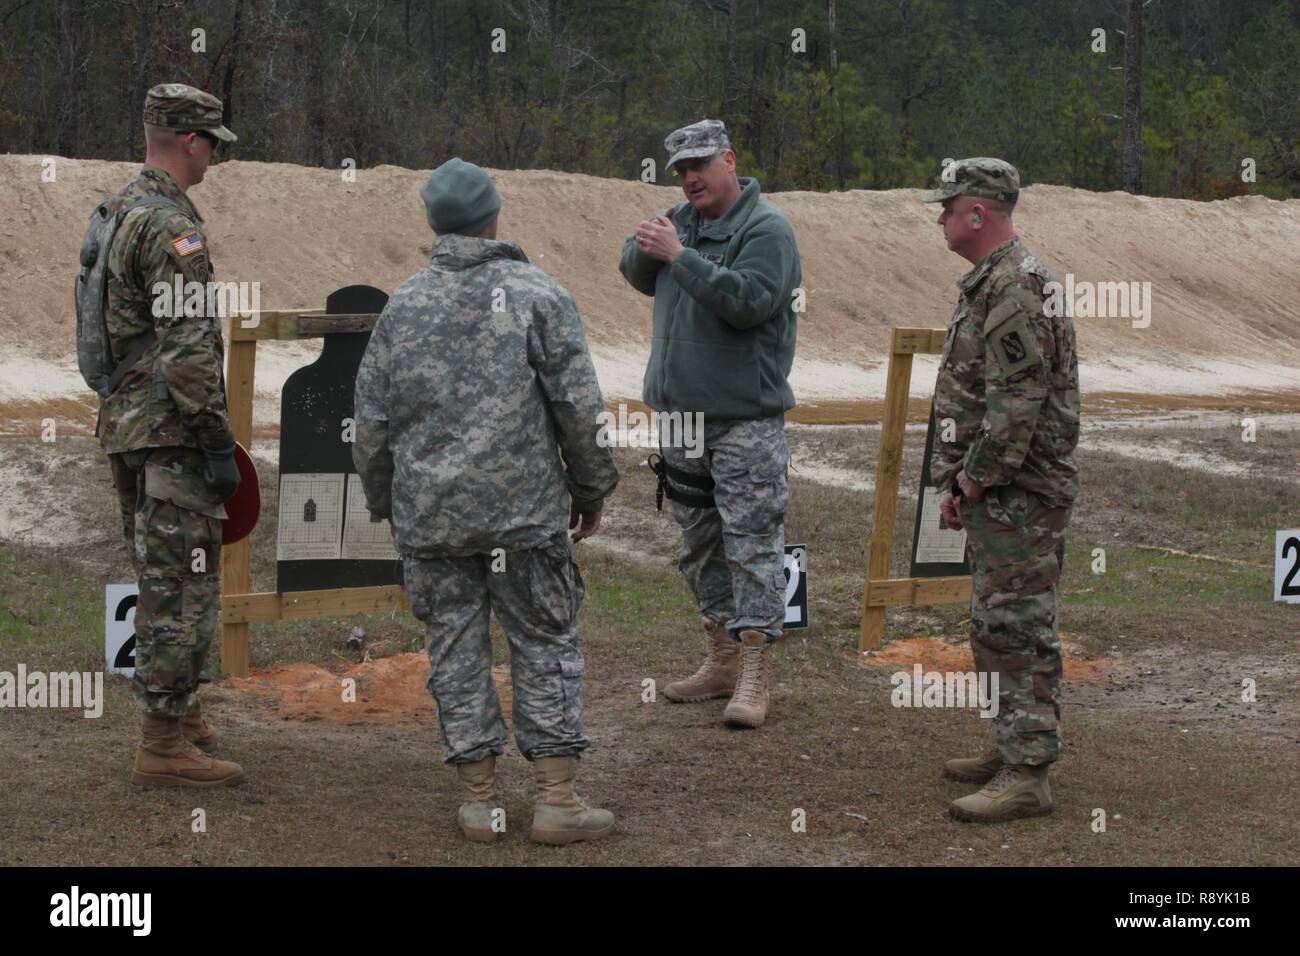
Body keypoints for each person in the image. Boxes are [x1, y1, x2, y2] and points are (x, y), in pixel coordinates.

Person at [353, 158, 619, 845]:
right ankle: (557, 798)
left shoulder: (402, 305)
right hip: (524, 516)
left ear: (434, 224)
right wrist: (591, 489)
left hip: (432, 519)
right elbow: (579, 409)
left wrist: (387, 502)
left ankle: (478, 800)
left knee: (454, 646)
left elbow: (372, 424)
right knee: (545, 641)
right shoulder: (540, 295)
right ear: (494, 216)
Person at [618, 119, 801, 729]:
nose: (691, 178)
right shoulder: (683, 222)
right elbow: (636, 271)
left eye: (701, 165)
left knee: (750, 545)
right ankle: (721, 653)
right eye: (681, 170)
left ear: (729, 160)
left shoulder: (766, 229)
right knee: (698, 543)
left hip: (743, 418)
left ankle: (754, 671)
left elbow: (749, 302)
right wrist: (653, 243)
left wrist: (681, 255)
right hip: (682, 416)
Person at [924, 157, 1080, 822]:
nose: (941, 217)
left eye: (948, 206)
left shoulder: (1015, 286)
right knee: (995, 623)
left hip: (1020, 493)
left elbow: (1016, 406)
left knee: (1018, 629)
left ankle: (1028, 773)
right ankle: (1010, 741)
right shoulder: (996, 282)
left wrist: (973, 478)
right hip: (1002, 491)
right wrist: (966, 481)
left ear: (978, 212)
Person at [97, 84, 243, 787]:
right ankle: (161, 745)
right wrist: (217, 440)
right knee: (179, 588)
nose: (214, 156)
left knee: (162, 577)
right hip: (170, 432)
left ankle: (179, 716)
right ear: (190, 141)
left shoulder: (120, 210)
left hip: (130, 424)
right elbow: (188, 349)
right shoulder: (171, 228)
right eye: (212, 143)